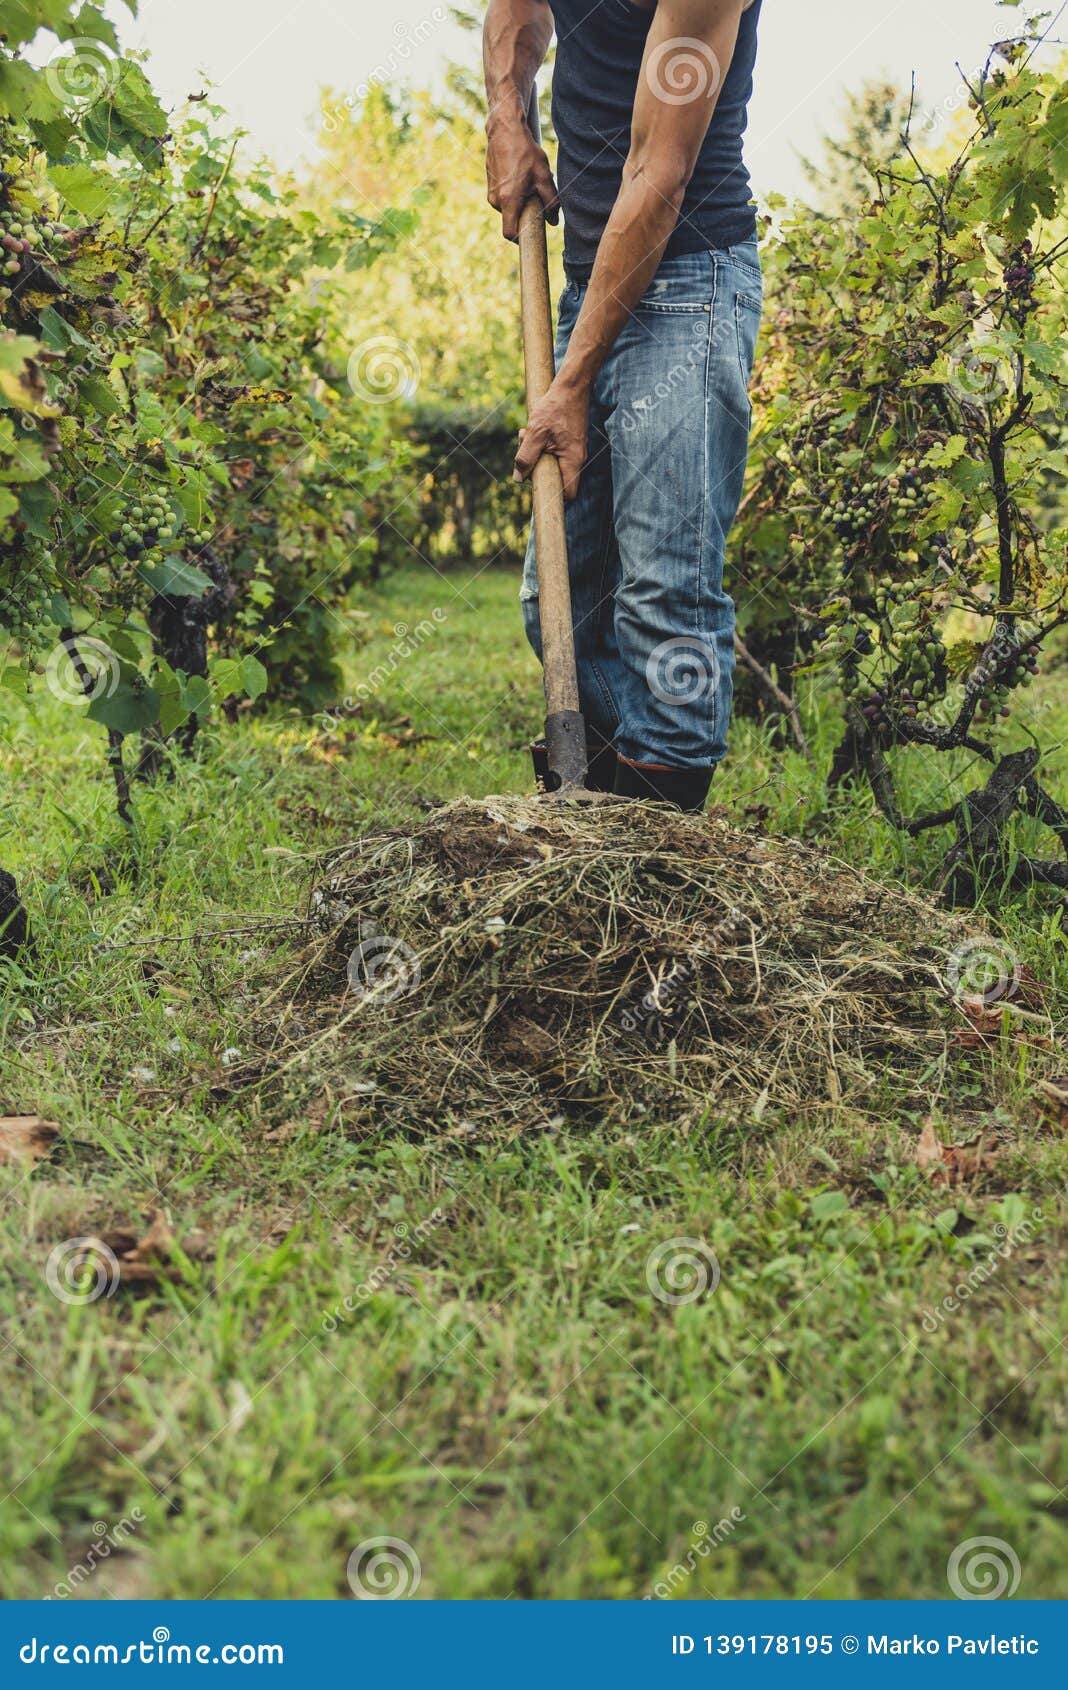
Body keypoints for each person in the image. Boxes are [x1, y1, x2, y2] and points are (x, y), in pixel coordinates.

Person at [483, 0, 762, 811]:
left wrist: (571, 385)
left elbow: (656, 174)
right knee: (558, 603)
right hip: (590, 281)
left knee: (665, 600)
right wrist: (508, 116)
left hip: (690, 282)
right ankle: (600, 813)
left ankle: (658, 844)